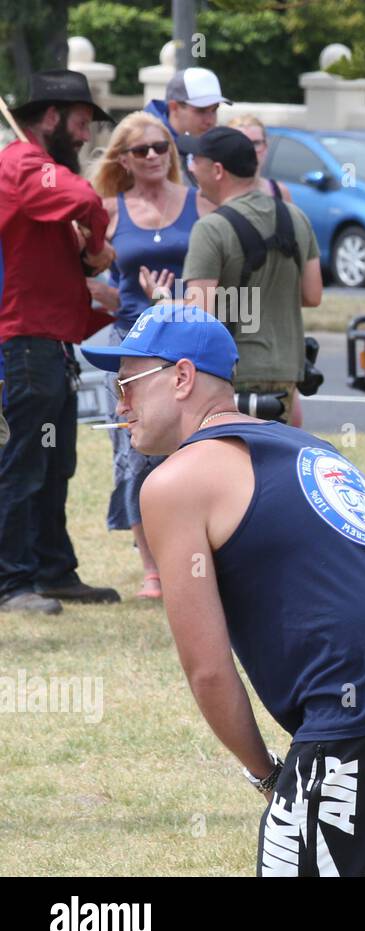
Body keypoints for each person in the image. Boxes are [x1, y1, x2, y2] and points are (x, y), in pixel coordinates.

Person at [80, 305, 365, 875]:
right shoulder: (309, 449)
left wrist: (268, 775)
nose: (119, 403)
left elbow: (207, 669)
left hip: (360, 712)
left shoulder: (174, 483)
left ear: (183, 378)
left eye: (128, 383)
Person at [0, 69, 120, 615]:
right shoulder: (23, 163)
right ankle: (13, 583)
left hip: (44, 347)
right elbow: (81, 195)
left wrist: (90, 277)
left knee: (52, 464)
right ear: (49, 117)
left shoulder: (35, 175)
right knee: (26, 464)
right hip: (23, 347)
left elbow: (59, 290)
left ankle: (51, 570)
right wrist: (97, 244)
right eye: (78, 124)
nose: (85, 137)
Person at [90, 111, 215, 599]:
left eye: (160, 147)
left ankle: (195, 551)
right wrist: (104, 294)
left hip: (186, 342)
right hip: (130, 348)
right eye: (140, 150)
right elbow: (83, 265)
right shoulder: (110, 209)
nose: (152, 157)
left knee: (191, 447)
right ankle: (152, 567)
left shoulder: (199, 203)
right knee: (135, 452)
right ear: (123, 158)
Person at [179, 126, 322, 427]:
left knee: (233, 465)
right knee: (271, 465)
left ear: (217, 170)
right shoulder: (296, 217)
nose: (191, 169)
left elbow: (198, 315)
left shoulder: (211, 228)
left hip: (232, 375)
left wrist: (164, 301)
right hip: (287, 372)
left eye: (196, 161)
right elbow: (312, 295)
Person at [144, 66, 229, 185]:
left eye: (214, 110)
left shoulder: (201, 140)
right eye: (201, 110)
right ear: (174, 107)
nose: (210, 120)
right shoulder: (142, 144)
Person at [228, 114, 293, 203]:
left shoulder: (280, 192)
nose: (250, 150)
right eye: (242, 144)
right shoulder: (215, 193)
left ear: (265, 146)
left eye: (256, 143)